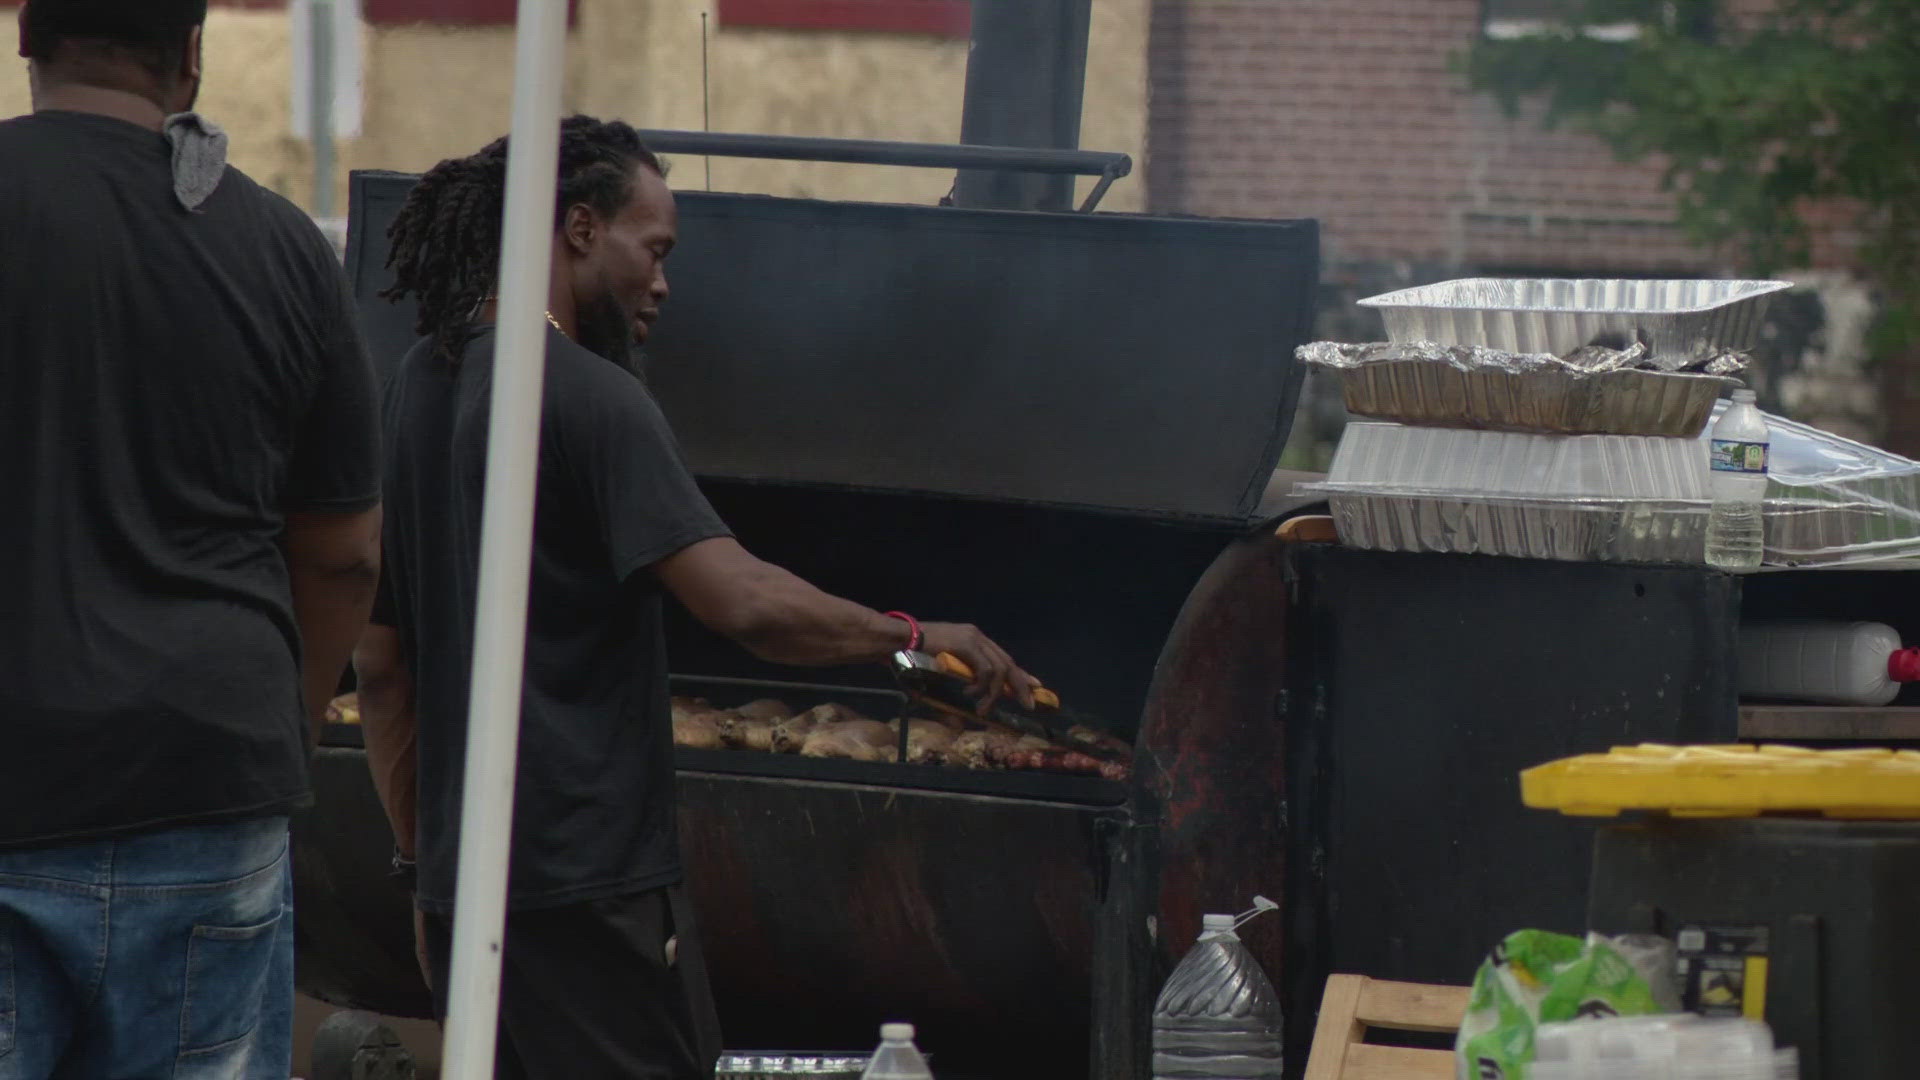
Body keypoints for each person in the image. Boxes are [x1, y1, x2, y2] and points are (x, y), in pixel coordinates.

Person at [354, 116, 1037, 1080]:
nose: (664, 284)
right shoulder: (591, 396)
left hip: (466, 892)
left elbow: (382, 669)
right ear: (582, 228)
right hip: (589, 893)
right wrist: (915, 636)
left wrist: (428, 879)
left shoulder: (418, 385)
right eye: (656, 249)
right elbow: (748, 604)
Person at [0, 1, 383, 1077]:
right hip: (211, 772)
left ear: (28, 39)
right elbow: (346, 550)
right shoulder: (281, 248)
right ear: (193, 59)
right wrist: (290, 723)